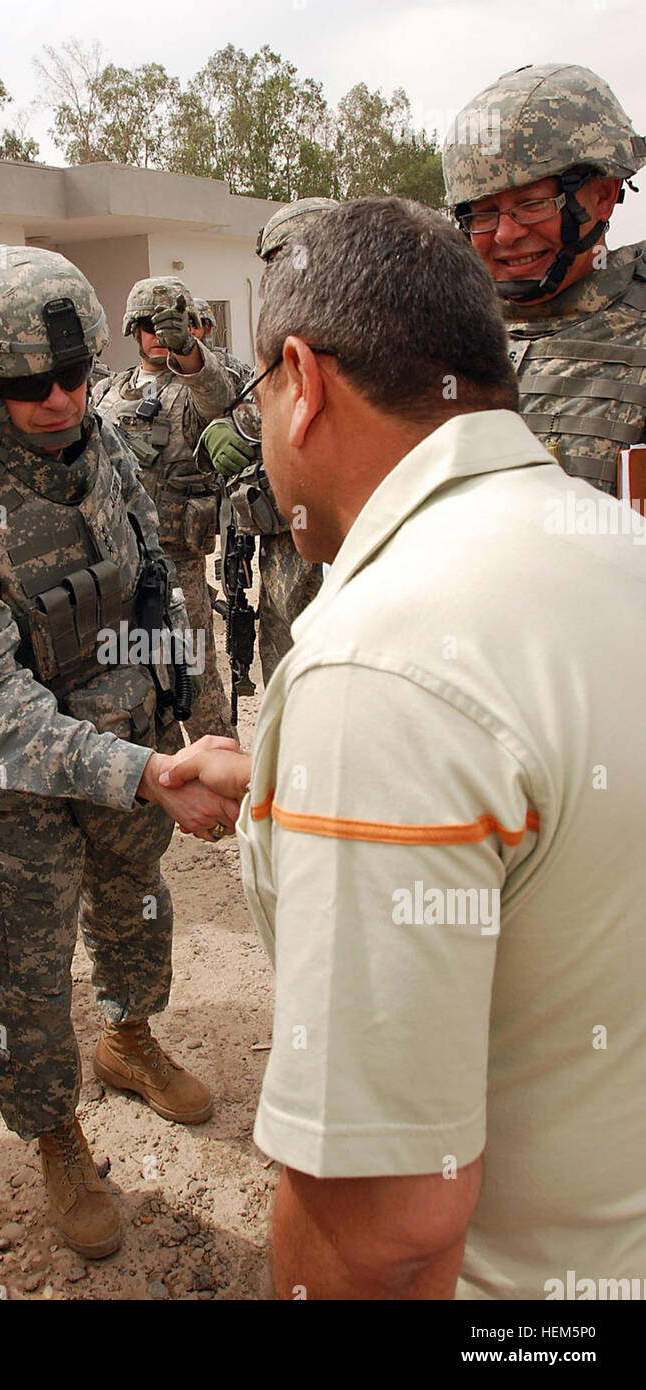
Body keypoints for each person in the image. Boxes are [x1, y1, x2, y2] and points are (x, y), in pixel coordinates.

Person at [162, 197, 646, 1299]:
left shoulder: (379, 665)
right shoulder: (608, 546)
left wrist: (346, 743)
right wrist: (288, 789)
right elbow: (556, 835)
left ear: (304, 380)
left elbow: (385, 1230)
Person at [0, 245, 240, 1260]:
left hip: (126, 736)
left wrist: (195, 720)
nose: (60, 399)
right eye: (29, 385)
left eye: (74, 376)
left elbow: (152, 573)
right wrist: (143, 773)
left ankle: (127, 1038)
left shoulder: (101, 439)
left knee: (136, 904)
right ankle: (54, 1132)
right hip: (19, 784)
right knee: (28, 966)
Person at [443, 63, 646, 496]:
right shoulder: (434, 340)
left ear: (604, 194)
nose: (506, 233)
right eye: (482, 212)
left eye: (532, 204)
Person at [92, 276, 237, 742]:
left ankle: (224, 791)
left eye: (170, 325)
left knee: (192, 674)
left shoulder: (197, 385)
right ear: (133, 331)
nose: (158, 335)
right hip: (117, 561)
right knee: (129, 672)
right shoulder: (109, 392)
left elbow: (217, 398)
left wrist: (188, 352)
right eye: (148, 326)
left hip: (178, 561)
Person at [202, 199, 335, 683]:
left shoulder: (383, 346)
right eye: (277, 268)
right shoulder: (278, 357)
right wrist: (228, 428)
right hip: (286, 575)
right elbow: (256, 423)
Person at [190, 297, 252, 389]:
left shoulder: (231, 365)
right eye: (186, 325)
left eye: (196, 324)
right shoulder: (171, 365)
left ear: (208, 327)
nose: (191, 330)